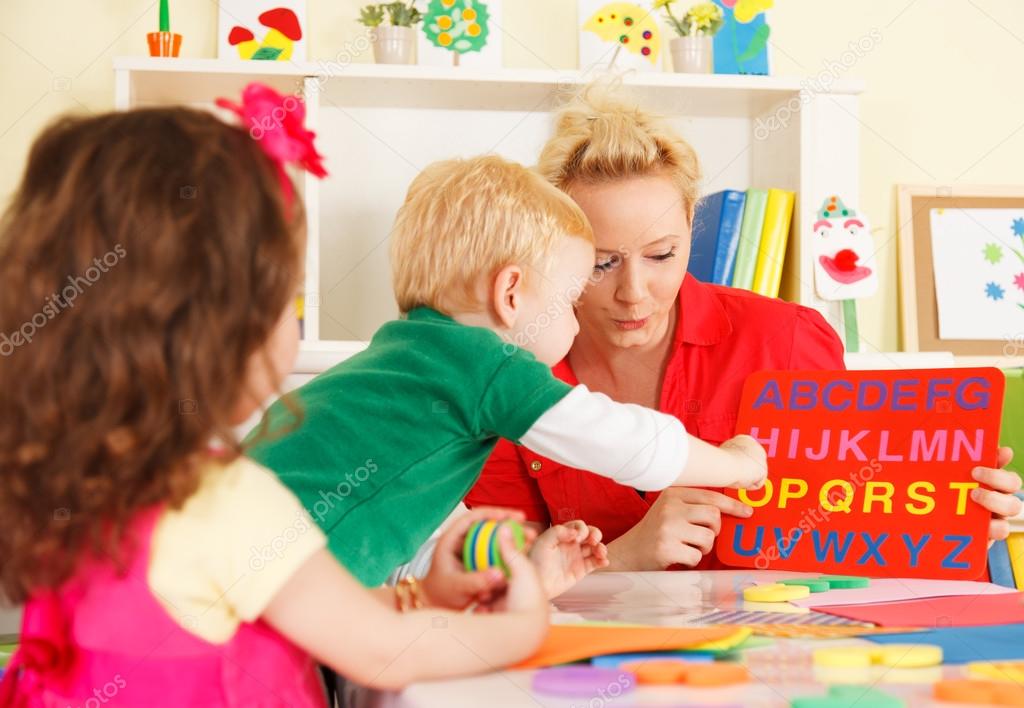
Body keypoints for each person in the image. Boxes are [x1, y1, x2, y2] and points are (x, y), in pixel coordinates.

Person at [0, 88, 552, 706]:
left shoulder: (62, 482)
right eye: (288, 300)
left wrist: (417, 596)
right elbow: (378, 652)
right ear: (219, 333)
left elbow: (273, 604)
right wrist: (524, 628)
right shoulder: (222, 500)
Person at [466, 87, 1024, 571]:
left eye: (661, 255)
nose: (634, 292)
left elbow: (854, 516)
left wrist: (960, 520)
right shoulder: (513, 367)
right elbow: (491, 574)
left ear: (691, 224)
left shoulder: (785, 339)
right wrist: (628, 554)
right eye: (602, 264)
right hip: (590, 667)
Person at [245, 153, 767, 599]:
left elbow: (419, 547)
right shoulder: (486, 366)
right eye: (569, 299)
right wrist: (733, 464)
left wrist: (530, 574)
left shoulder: (404, 362)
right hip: (265, 590)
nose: (575, 317)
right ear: (511, 295)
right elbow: (623, 442)